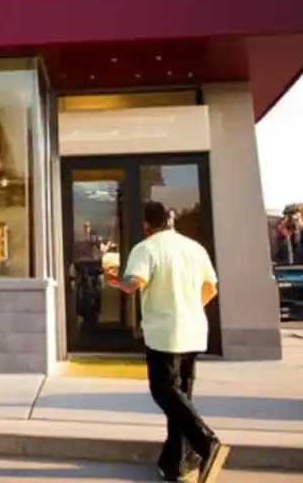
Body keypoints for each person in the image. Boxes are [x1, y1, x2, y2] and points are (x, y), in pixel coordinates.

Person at [117, 201, 230, 483]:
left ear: (146, 224)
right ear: (170, 220)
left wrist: (114, 282)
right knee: (180, 399)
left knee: (164, 391)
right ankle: (176, 464)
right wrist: (190, 307)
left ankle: (207, 444)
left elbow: (134, 283)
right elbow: (210, 288)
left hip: (165, 333)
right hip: (194, 329)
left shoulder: (147, 248)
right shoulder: (194, 248)